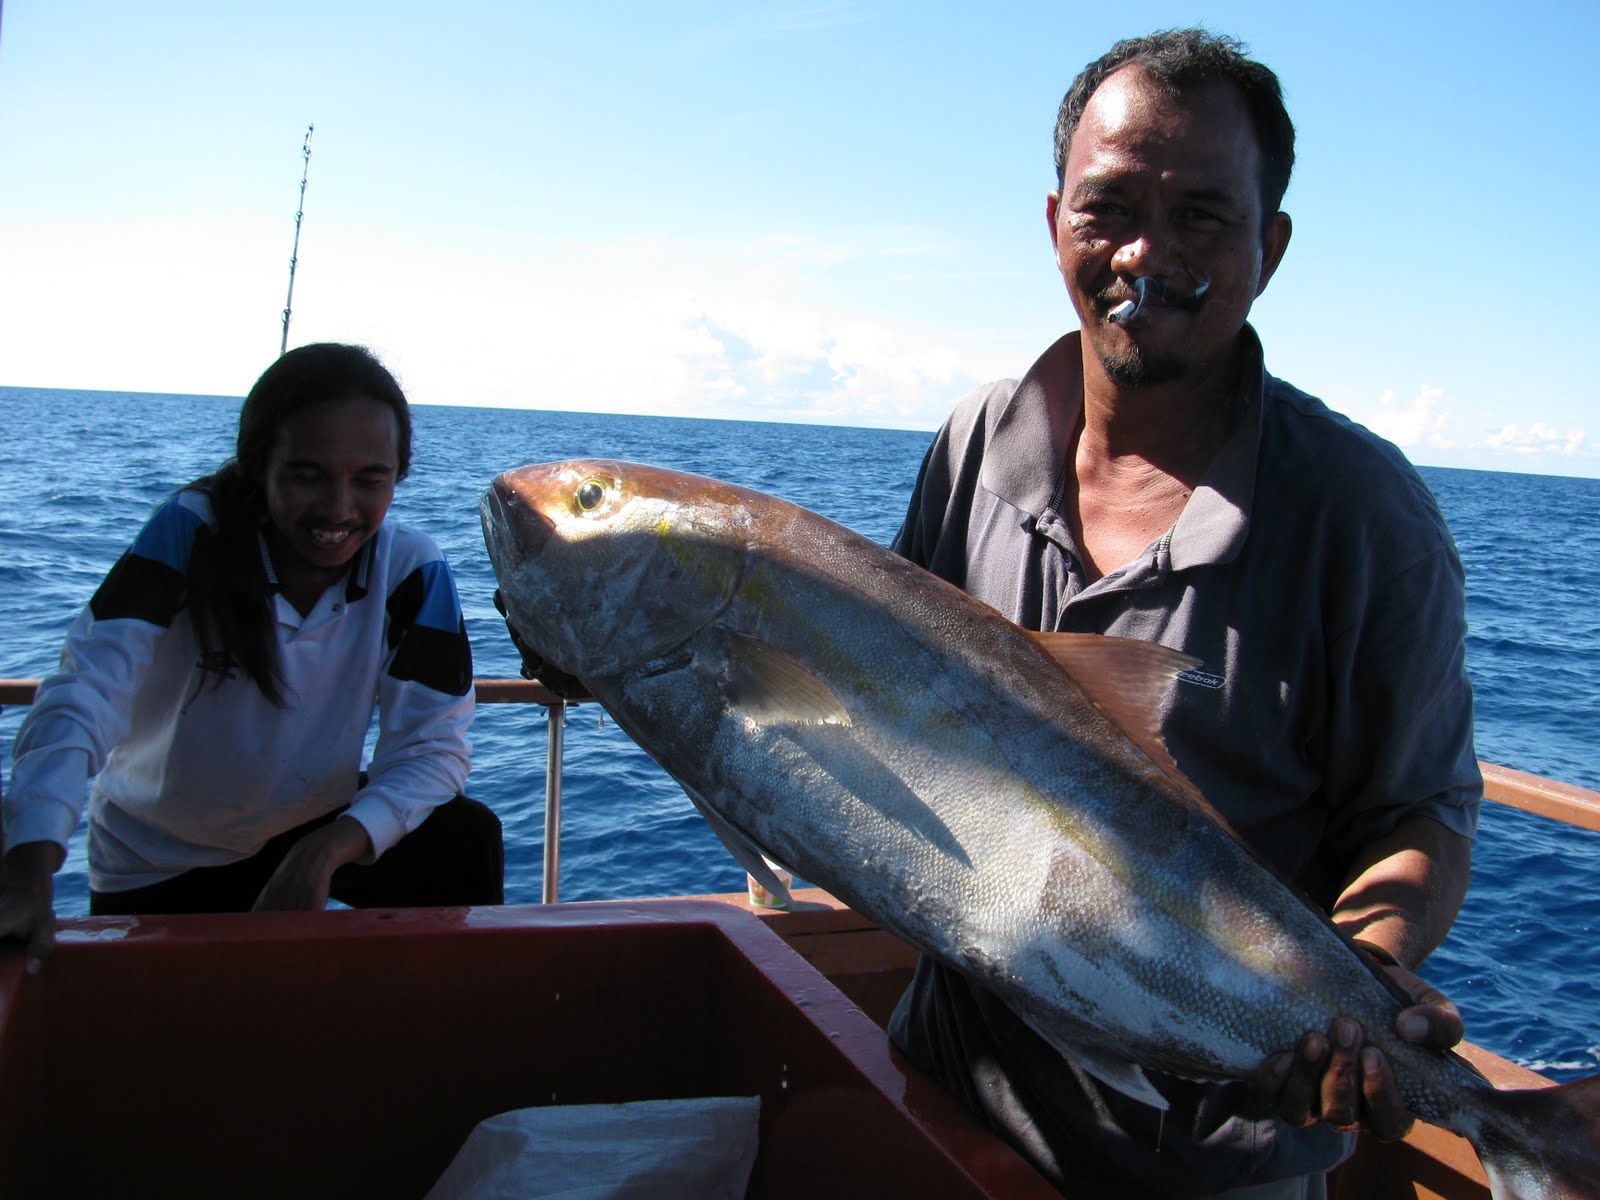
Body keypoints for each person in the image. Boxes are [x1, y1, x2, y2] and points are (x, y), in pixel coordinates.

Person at [886, 29, 1480, 1200]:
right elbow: (894, 693)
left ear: (1271, 246)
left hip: (1208, 1162)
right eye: (1108, 207)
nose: (1144, 252)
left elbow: (1418, 812)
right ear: (1054, 219)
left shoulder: (1361, 511)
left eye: (1202, 215)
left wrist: (1357, 985)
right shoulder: (975, 442)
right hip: (951, 1089)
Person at [0, 342, 503, 972]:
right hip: (159, 859)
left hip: (312, 825)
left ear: (397, 476)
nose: (339, 507)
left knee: (465, 837)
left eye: (369, 479)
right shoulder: (192, 532)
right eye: (307, 474)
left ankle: (458, 1017)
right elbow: (86, 690)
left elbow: (434, 748)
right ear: (260, 466)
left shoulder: (411, 568)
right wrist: (29, 860)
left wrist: (323, 852)